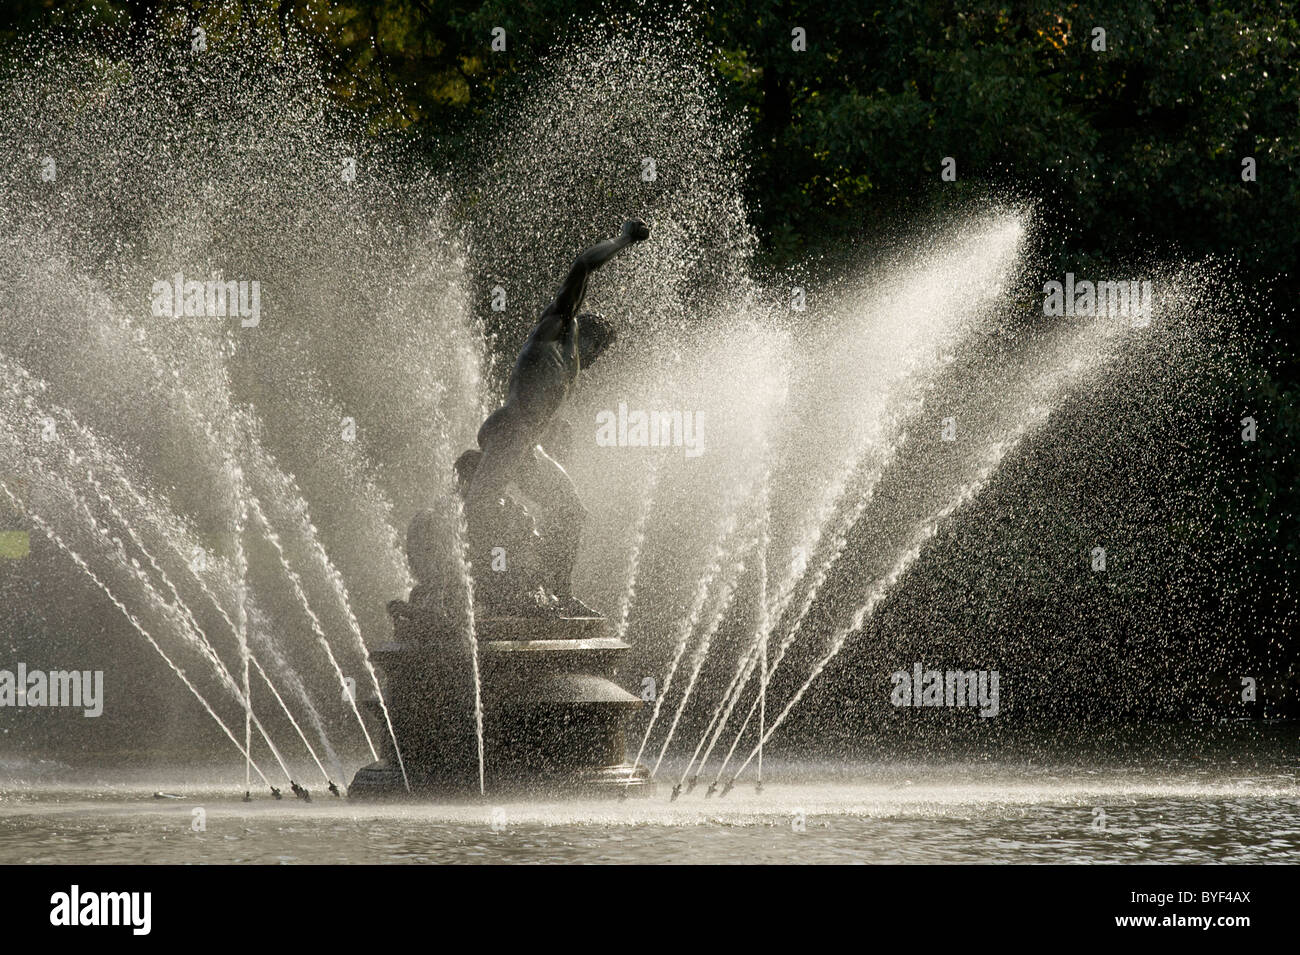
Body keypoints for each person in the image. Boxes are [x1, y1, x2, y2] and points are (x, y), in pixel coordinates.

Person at [464, 218, 650, 616]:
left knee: (571, 511)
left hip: (528, 444)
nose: (597, 359)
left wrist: (554, 431)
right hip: (508, 433)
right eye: (599, 347)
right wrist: (623, 240)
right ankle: (480, 592)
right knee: (482, 502)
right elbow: (583, 265)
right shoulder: (558, 324)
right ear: (587, 330)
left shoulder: (572, 362)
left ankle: (558, 596)